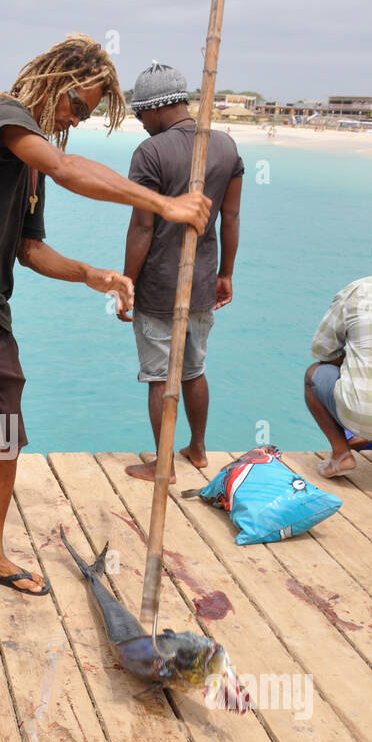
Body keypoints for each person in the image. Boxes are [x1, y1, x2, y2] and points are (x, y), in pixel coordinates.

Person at [0, 33, 211, 633]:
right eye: (77, 106)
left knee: (9, 441)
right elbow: (66, 168)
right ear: (55, 80)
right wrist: (166, 205)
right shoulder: (1, 119)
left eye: (86, 114)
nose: (75, 120)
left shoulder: (27, 173)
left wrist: (91, 274)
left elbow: (28, 249)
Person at [117, 62, 244, 482]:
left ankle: (164, 463)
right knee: (194, 369)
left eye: (139, 114)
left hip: (159, 285)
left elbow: (142, 226)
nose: (140, 123)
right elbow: (231, 217)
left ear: (155, 109)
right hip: (203, 281)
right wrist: (226, 274)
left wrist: (126, 283)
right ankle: (200, 448)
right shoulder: (225, 146)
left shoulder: (150, 153)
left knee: (158, 374)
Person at [305, 268, 372, 476]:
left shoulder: (357, 291)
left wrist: (351, 365)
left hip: (362, 417)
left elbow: (323, 352)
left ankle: (341, 454)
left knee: (313, 375)